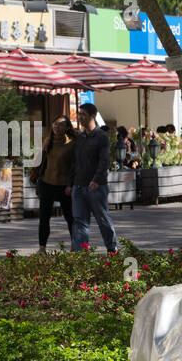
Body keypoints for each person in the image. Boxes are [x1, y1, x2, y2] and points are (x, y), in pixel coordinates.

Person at [70, 102, 118, 253]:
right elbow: (74, 162)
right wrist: (70, 183)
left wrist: (96, 180)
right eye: (79, 114)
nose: (80, 117)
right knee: (79, 222)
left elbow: (104, 161)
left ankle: (112, 248)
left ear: (93, 116)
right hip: (78, 186)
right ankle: (81, 254)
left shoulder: (101, 137)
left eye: (83, 114)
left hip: (96, 187)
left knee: (103, 220)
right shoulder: (80, 137)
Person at [31, 114, 75, 254]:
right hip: (47, 183)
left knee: (70, 217)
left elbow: (74, 166)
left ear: (67, 127)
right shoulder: (48, 141)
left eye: (61, 124)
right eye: (55, 124)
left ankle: (75, 244)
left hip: (64, 186)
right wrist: (42, 150)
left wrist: (71, 184)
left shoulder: (71, 144)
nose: (57, 127)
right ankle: (42, 247)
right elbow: (40, 161)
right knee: (44, 217)